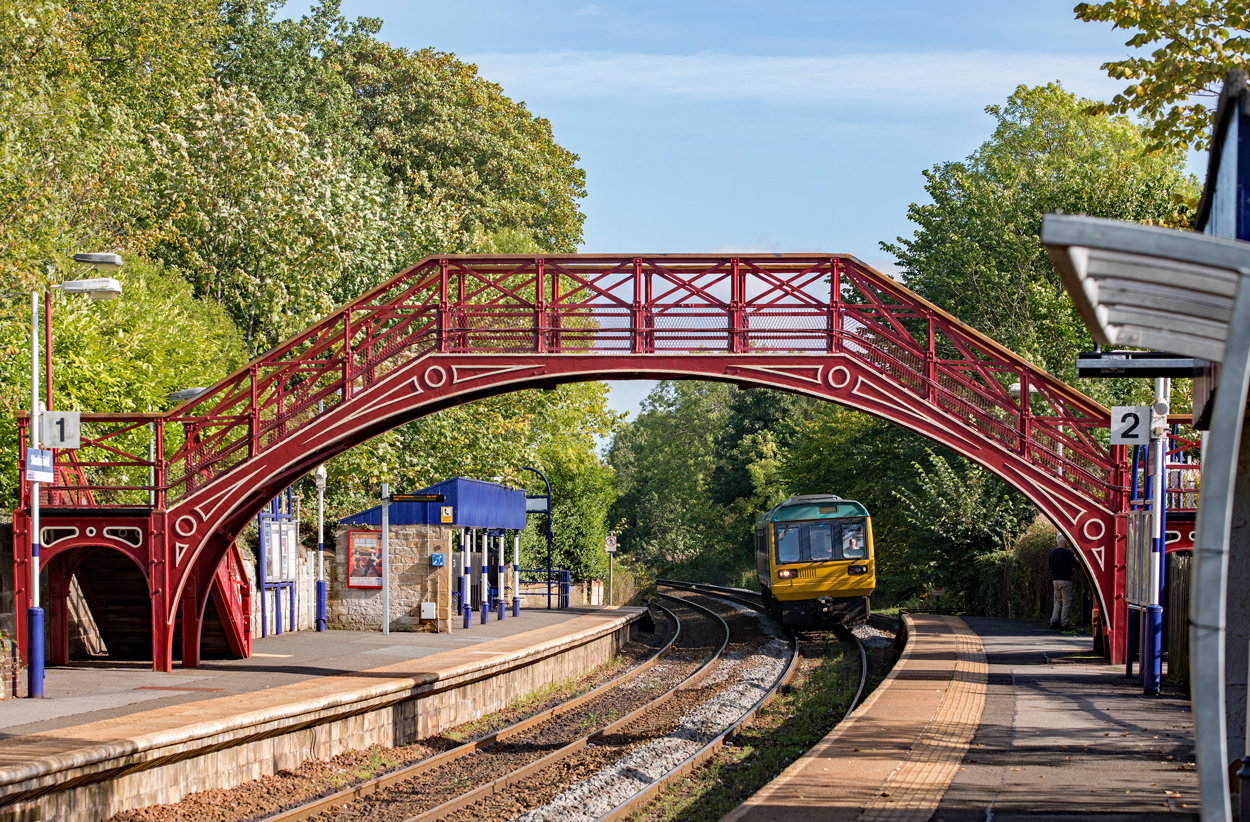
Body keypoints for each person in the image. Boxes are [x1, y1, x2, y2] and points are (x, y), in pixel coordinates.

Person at [1049, 534, 1078, 629]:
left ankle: (1053, 621)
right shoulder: (1067, 553)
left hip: (1055, 580)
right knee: (1067, 601)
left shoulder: (1052, 552)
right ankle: (1064, 623)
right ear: (1065, 542)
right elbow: (1076, 564)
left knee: (1058, 601)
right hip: (1065, 580)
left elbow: (1050, 566)